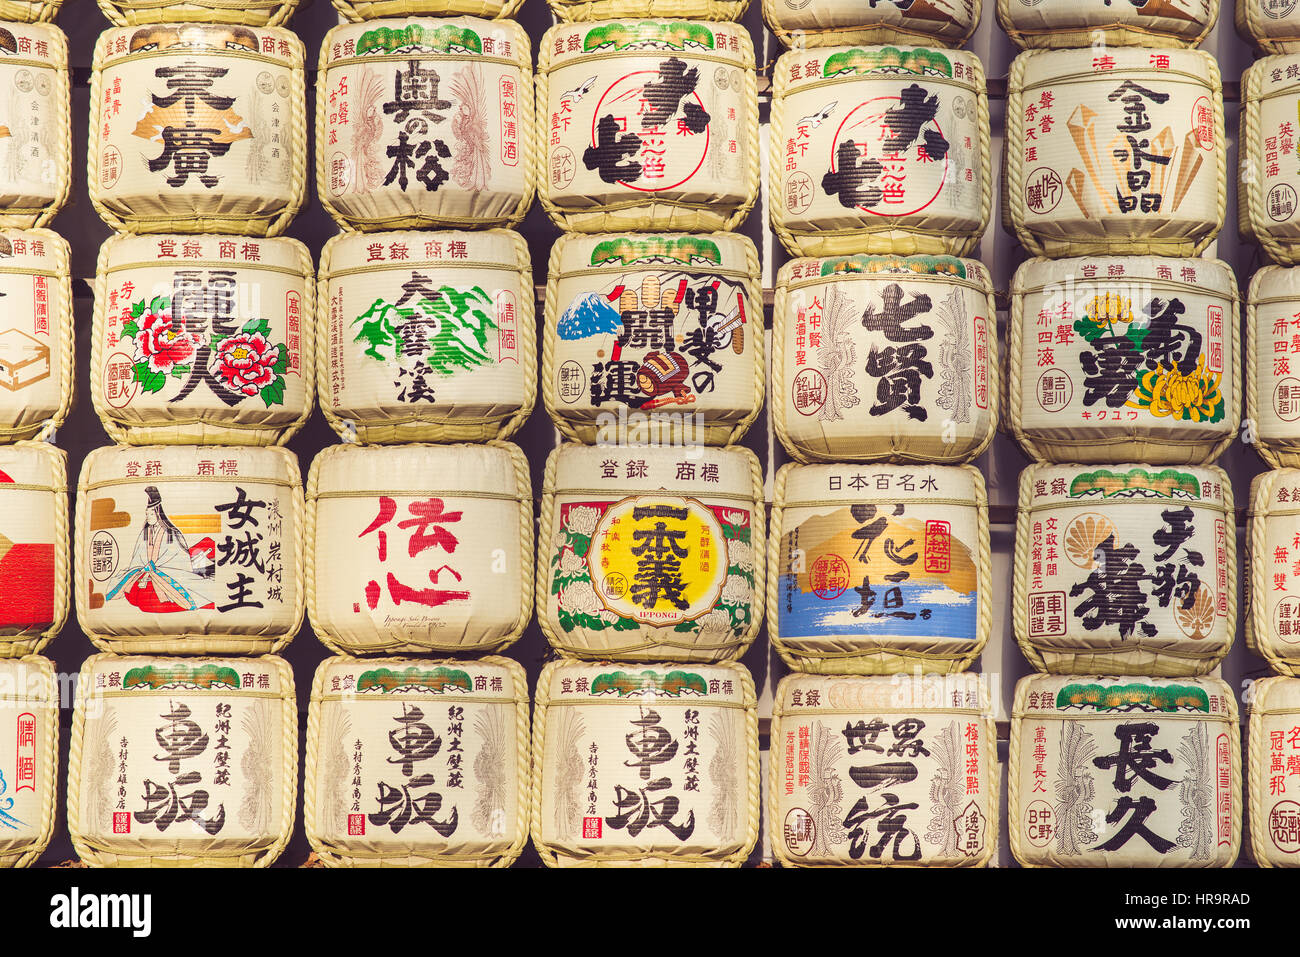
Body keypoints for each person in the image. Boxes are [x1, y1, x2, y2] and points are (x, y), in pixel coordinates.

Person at [105, 486, 215, 612]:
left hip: (165, 574)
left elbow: (176, 559)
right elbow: (138, 558)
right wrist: (143, 570)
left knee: (150, 598)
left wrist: (154, 570)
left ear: (158, 513)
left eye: (151, 513)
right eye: (147, 514)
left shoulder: (171, 533)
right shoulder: (145, 533)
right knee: (133, 592)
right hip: (146, 573)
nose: (149, 517)